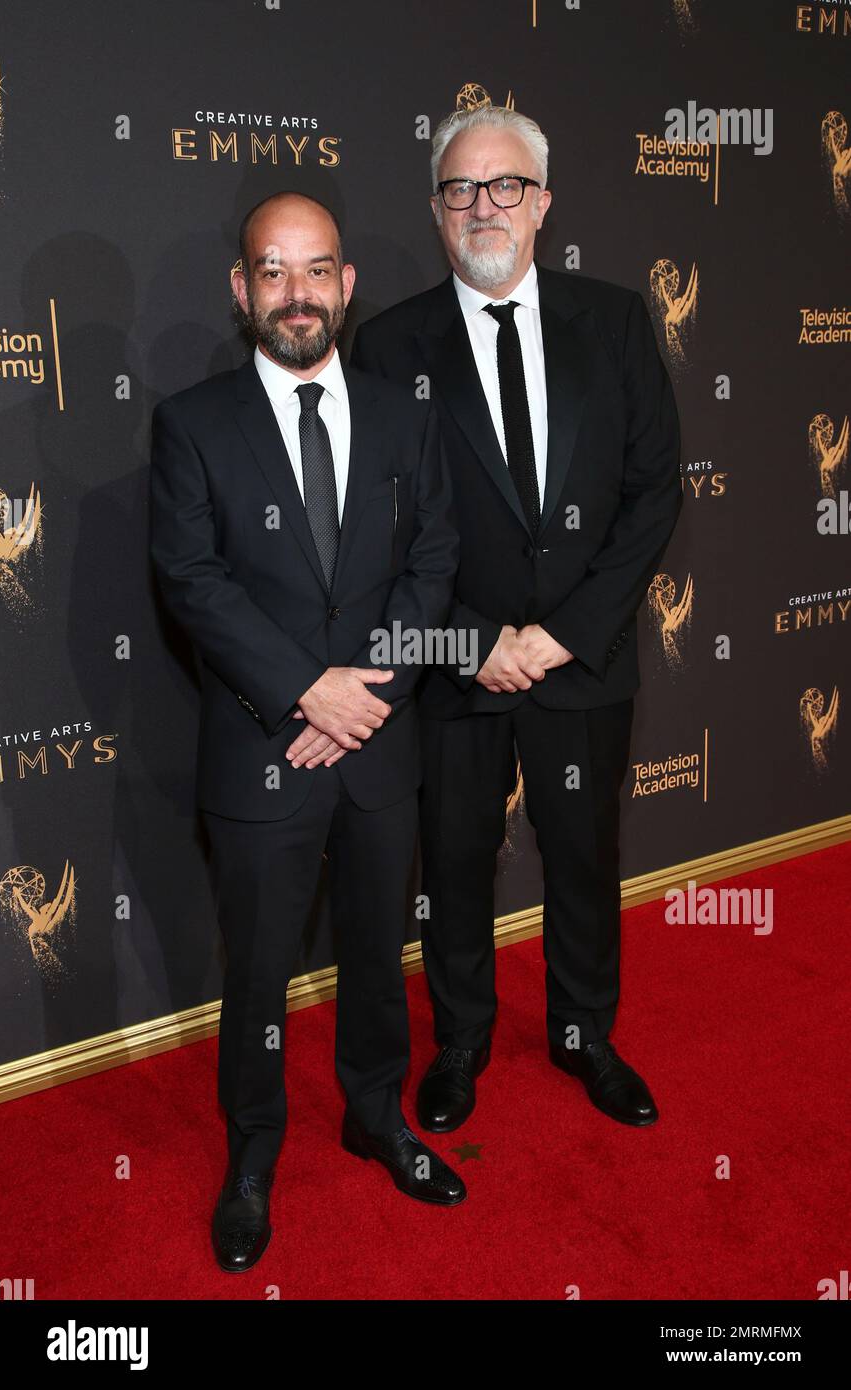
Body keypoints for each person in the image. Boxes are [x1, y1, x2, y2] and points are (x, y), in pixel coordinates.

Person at [351, 105, 683, 1136]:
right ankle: (459, 1044)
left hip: (578, 663)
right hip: (454, 666)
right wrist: (472, 640)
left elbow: (652, 492)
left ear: (542, 202)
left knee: (582, 855)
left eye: (503, 187)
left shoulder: (616, 319)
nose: (480, 206)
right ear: (436, 209)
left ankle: (585, 1035)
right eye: (459, 188)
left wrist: (564, 633)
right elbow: (378, 526)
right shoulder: (390, 339)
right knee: (452, 864)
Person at [149, 191, 464, 1274]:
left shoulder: (403, 416)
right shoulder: (192, 425)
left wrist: (360, 695)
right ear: (242, 291)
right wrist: (304, 693)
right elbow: (193, 583)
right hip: (261, 752)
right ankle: (251, 1156)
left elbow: (432, 563)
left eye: (316, 269)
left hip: (377, 746)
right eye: (272, 271)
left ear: (345, 283)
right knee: (260, 976)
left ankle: (376, 1115)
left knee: (379, 958)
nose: (298, 292)